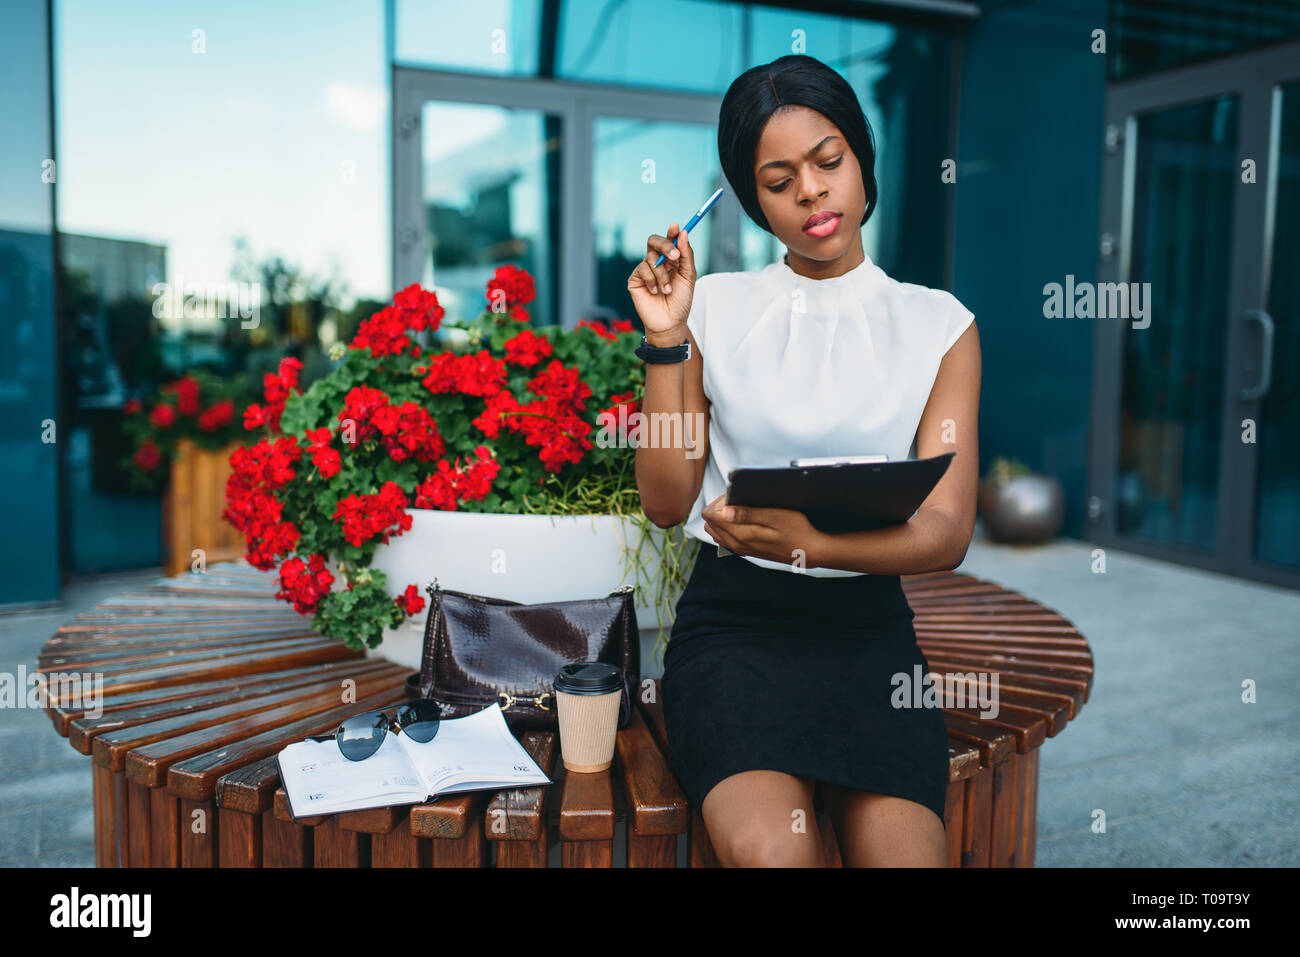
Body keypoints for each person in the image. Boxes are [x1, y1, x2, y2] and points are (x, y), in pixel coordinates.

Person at [628, 54, 981, 867]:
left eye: (828, 161)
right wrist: (665, 339)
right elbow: (668, 498)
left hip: (870, 636)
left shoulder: (940, 325)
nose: (812, 192)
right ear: (754, 200)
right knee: (774, 858)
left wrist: (805, 541)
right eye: (779, 179)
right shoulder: (711, 304)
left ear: (861, 159)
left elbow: (946, 530)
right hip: (736, 633)